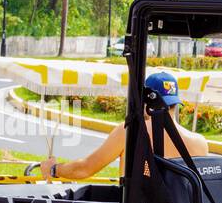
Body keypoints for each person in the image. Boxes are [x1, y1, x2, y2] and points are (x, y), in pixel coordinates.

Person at [38, 70, 209, 181]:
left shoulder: (130, 132)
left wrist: (53, 169)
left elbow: (85, 169)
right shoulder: (200, 142)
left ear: (145, 102)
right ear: (175, 103)